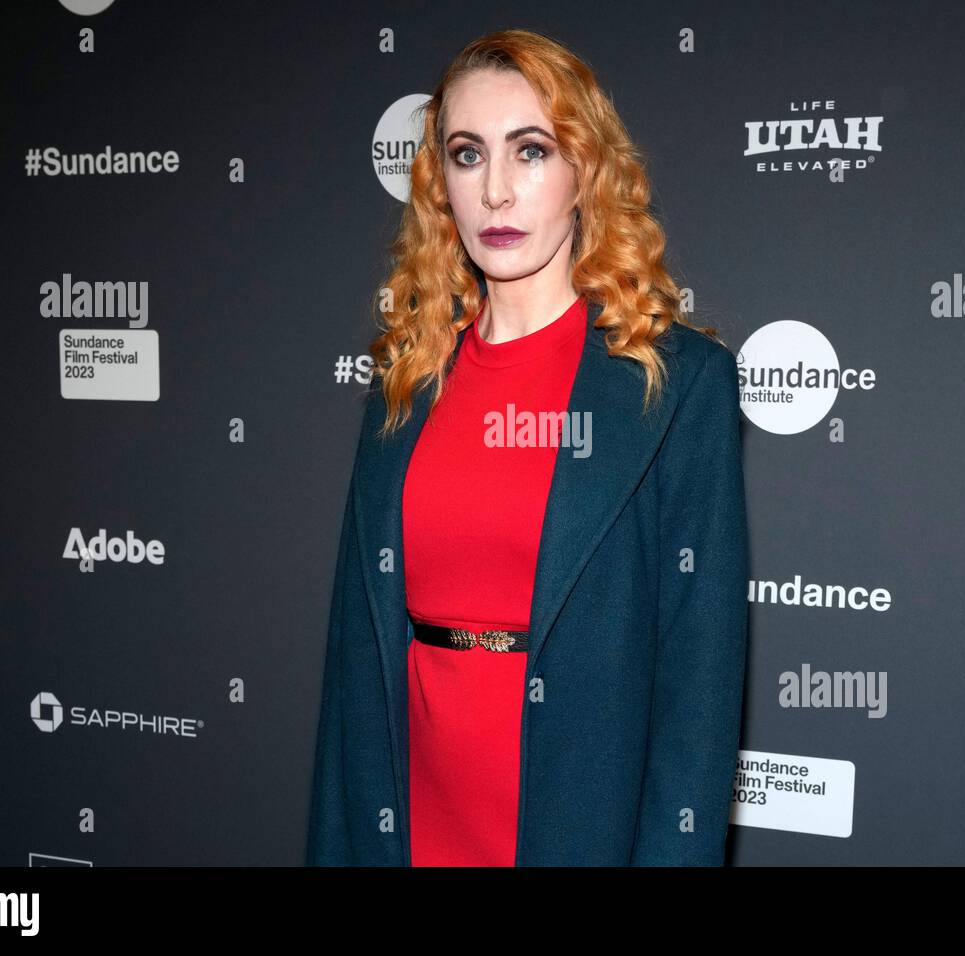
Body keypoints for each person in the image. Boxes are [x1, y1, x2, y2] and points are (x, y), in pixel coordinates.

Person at [307, 28, 749, 866]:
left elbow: (698, 690)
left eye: (532, 151)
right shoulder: (405, 380)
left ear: (585, 171)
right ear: (440, 183)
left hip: (582, 822)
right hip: (410, 818)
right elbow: (354, 666)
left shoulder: (677, 383)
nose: (498, 193)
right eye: (468, 155)